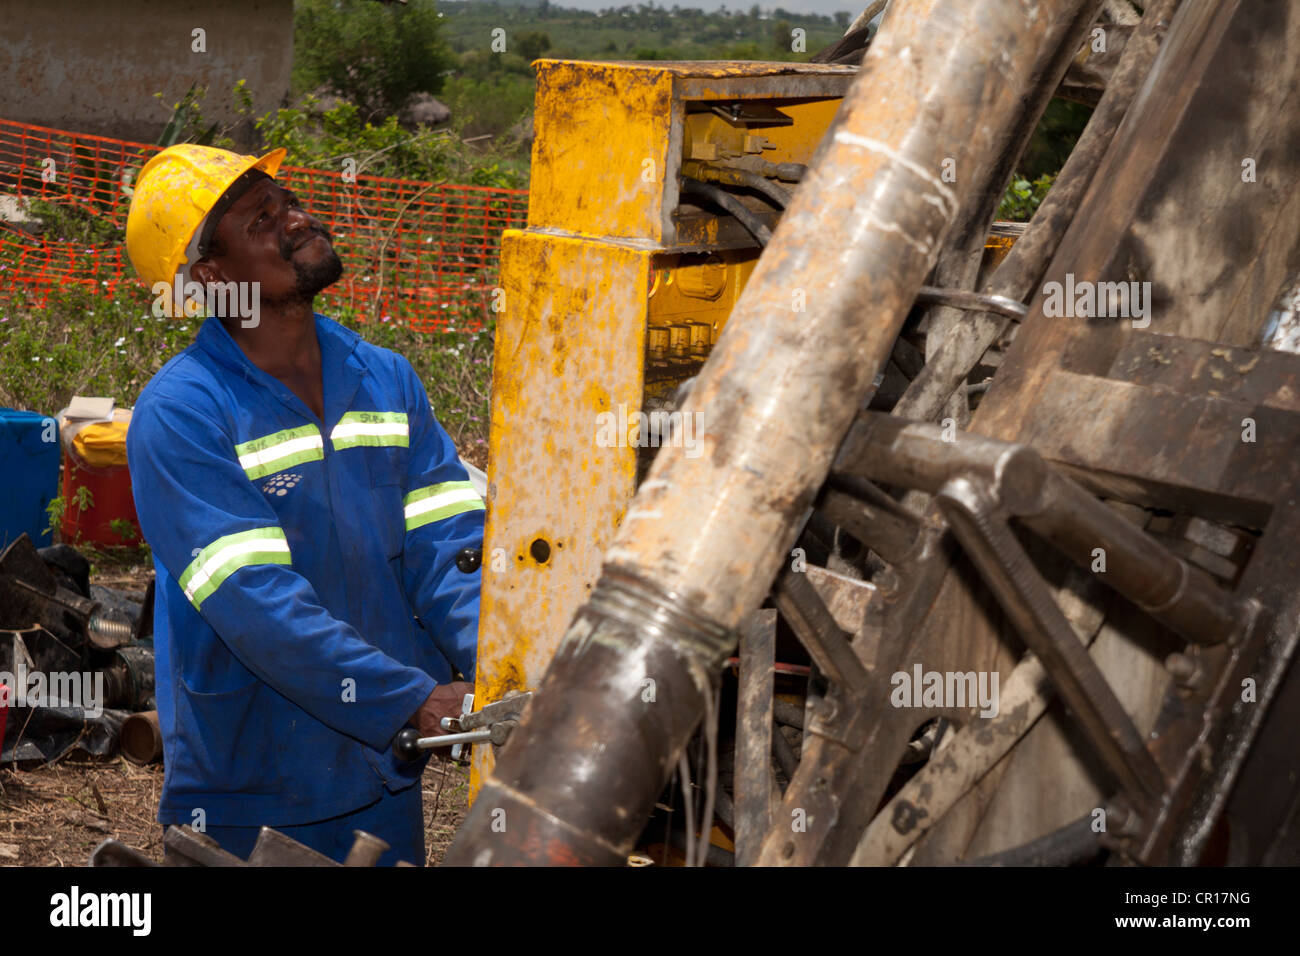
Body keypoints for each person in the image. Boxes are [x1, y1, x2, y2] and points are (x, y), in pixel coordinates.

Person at [123, 144, 484, 866]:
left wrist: (504, 673)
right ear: (214, 277)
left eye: (288, 201)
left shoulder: (384, 378)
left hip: (382, 775)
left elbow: (451, 550)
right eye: (263, 220)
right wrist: (410, 698)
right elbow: (257, 605)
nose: (296, 220)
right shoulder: (183, 414)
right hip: (254, 785)